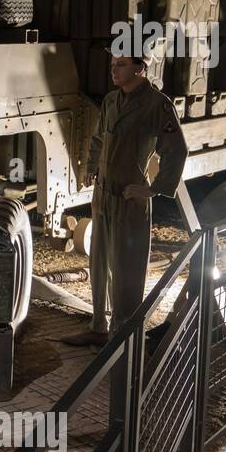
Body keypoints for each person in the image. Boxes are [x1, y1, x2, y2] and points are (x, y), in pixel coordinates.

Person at [62, 42, 188, 346]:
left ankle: (123, 337)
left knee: (127, 271)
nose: (113, 70)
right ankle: (98, 326)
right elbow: (97, 137)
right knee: (99, 264)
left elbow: (177, 150)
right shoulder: (110, 101)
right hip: (103, 195)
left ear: (139, 68)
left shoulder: (157, 105)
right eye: (113, 64)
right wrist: (91, 166)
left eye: (121, 64)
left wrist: (152, 189)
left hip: (131, 199)